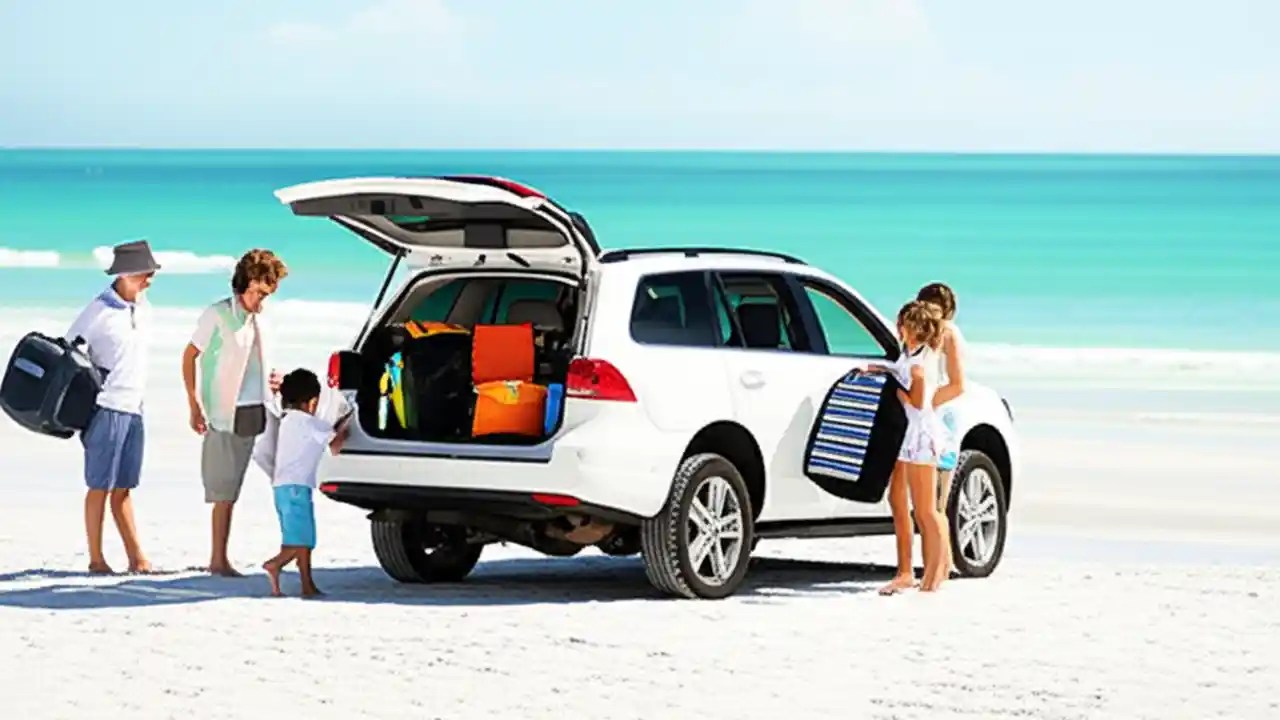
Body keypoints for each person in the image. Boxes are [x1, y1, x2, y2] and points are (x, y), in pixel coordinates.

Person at [182, 249, 288, 576]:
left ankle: (288, 550)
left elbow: (258, 364)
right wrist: (194, 404)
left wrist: (275, 379)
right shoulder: (217, 315)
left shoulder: (261, 322)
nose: (261, 301)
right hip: (226, 412)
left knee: (282, 479)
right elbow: (189, 356)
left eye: (267, 295)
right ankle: (218, 560)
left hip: (261, 409)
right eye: (258, 293)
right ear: (244, 284)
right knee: (224, 491)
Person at [64, 240, 161, 575]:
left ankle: (137, 558)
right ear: (124, 273)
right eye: (145, 273)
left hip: (135, 407)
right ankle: (96, 559)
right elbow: (70, 351)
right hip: (105, 407)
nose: (149, 279)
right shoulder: (99, 309)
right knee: (99, 486)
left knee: (124, 487)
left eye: (151, 273)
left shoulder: (145, 307)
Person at [876, 300, 949, 595]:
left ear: (911, 328)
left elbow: (918, 401)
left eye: (902, 324)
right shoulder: (915, 353)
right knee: (921, 510)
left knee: (925, 511)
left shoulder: (919, 364)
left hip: (920, 437)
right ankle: (928, 573)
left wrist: (898, 393)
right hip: (912, 437)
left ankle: (932, 576)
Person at [260, 369, 350, 597]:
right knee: (304, 541)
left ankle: (306, 584)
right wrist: (348, 422)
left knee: (296, 537)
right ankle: (275, 565)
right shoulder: (311, 423)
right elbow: (336, 446)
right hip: (297, 488)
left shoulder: (287, 421)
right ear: (311, 402)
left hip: (282, 488)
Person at [917, 282, 967, 576]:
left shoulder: (947, 333)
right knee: (931, 501)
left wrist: (927, 403)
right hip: (933, 417)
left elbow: (957, 384)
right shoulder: (931, 331)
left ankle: (940, 567)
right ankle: (938, 565)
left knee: (936, 500)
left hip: (942, 419)